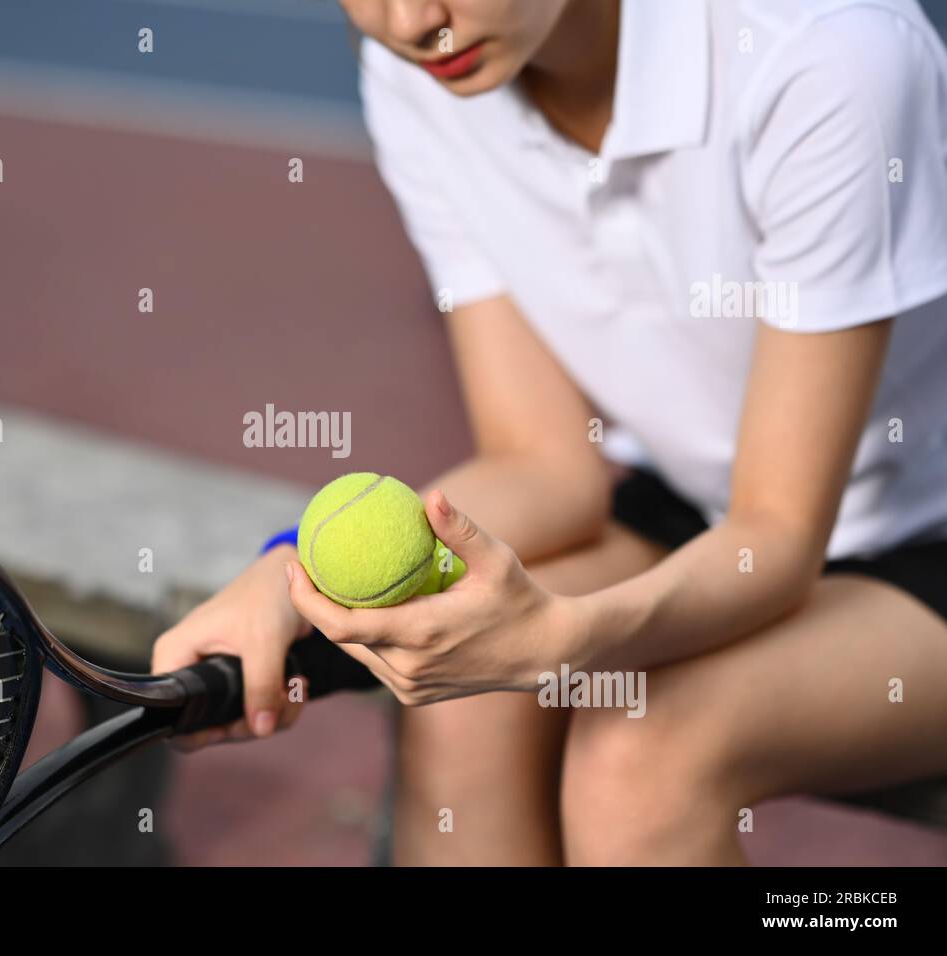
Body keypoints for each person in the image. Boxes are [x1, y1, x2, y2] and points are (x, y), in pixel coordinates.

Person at [153, 0, 947, 865]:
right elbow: (543, 464)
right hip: (702, 502)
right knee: (467, 705)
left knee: (638, 754)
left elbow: (779, 536)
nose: (414, 20)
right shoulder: (416, 74)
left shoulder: (830, 57)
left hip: (904, 538)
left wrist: (563, 641)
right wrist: (293, 573)